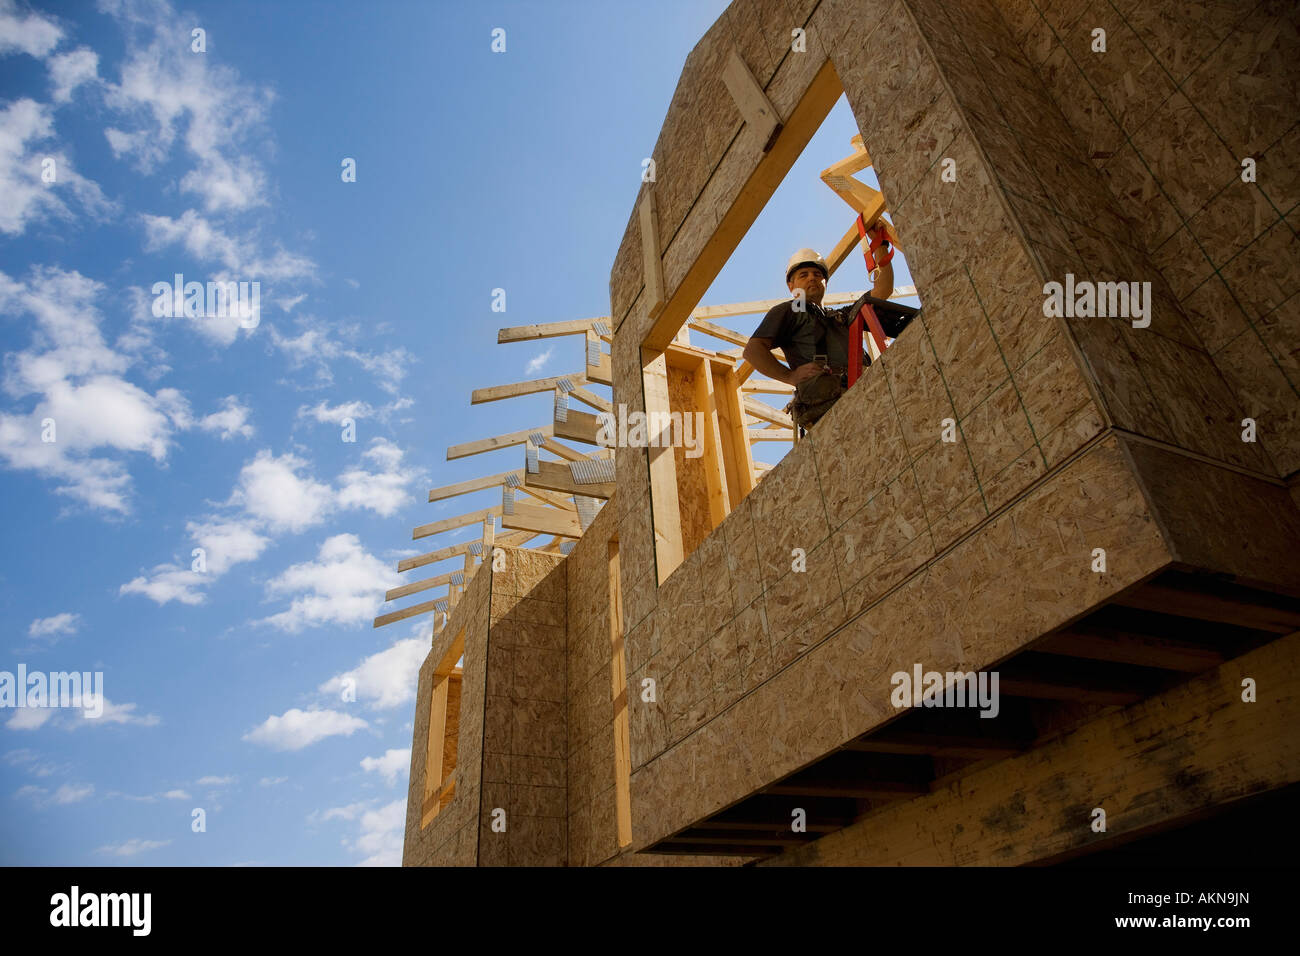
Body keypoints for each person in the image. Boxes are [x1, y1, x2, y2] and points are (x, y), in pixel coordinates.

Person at [742, 240, 916, 432]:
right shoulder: (789, 311)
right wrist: (789, 376)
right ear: (791, 286)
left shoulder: (842, 316)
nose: (812, 278)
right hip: (827, 404)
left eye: (817, 274)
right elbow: (753, 350)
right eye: (803, 275)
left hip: (867, 391)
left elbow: (883, 289)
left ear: (825, 282)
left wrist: (879, 244)